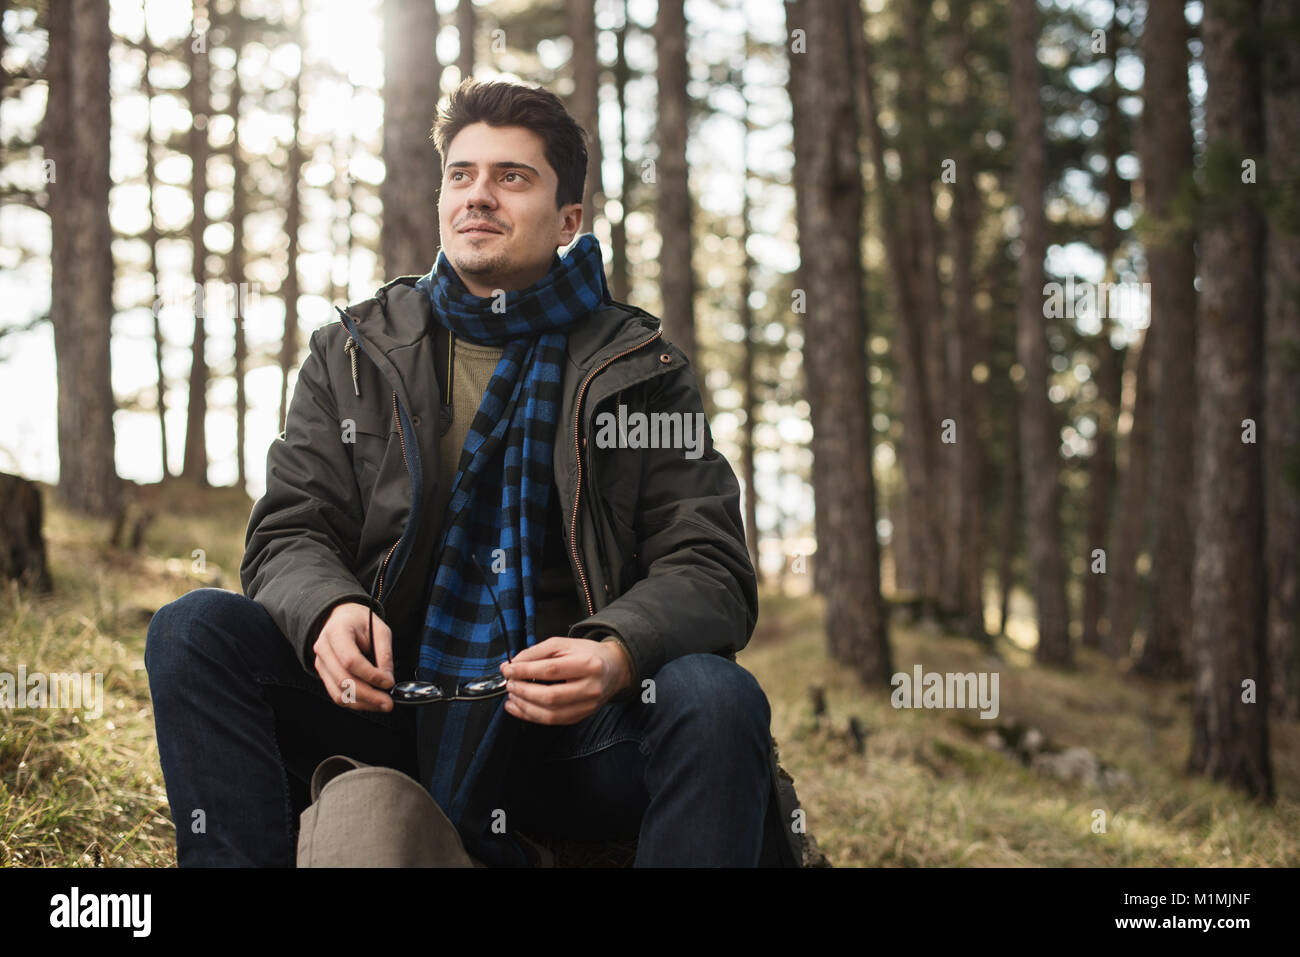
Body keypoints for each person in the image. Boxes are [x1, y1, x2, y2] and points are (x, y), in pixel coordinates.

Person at [145, 78, 799, 867]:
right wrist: (326, 611)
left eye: (511, 177)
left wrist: (618, 650)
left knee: (714, 693)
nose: (478, 196)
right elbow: (291, 530)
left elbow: (710, 565)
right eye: (462, 174)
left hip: (574, 737)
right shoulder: (353, 349)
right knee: (194, 630)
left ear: (569, 219)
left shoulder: (641, 369)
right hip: (391, 709)